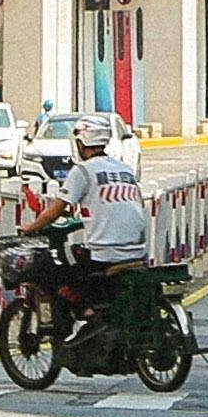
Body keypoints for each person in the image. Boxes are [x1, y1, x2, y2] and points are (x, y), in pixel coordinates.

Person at [64, 111, 161, 361]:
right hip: (138, 252)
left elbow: (58, 208)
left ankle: (87, 317)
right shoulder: (125, 169)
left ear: (81, 143)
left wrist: (32, 228)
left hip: (106, 255)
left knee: (61, 275)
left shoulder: (83, 171)